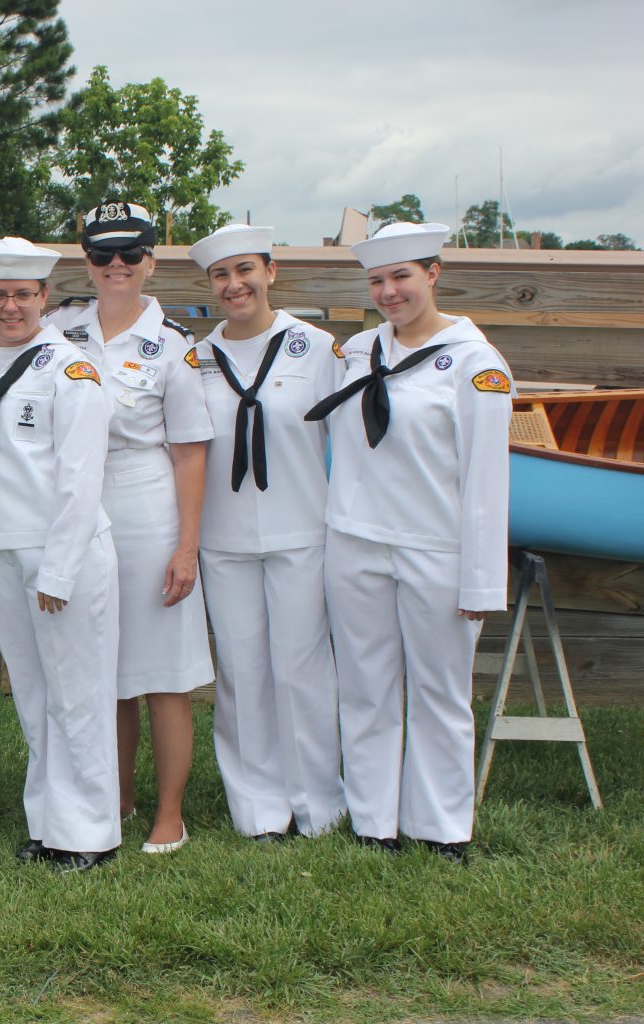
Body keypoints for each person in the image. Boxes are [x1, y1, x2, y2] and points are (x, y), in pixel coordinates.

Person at [305, 222, 513, 863]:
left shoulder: (477, 364)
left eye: (401, 277)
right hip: (356, 542)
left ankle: (443, 825)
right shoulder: (359, 350)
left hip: (435, 548)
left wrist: (481, 579)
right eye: (376, 280)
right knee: (365, 686)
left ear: (433, 274)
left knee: (439, 691)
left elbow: (486, 481)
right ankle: (375, 821)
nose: (389, 292)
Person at [43, 201, 213, 855]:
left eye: (130, 254)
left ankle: (169, 813)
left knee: (163, 675)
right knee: (100, 666)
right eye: (101, 254)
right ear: (85, 258)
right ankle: (113, 797)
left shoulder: (173, 344)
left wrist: (187, 547)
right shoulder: (59, 328)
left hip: (148, 510)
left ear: (151, 260)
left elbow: (191, 449)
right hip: (78, 507)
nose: (115, 266)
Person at [0, 237, 120, 872]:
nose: (10, 306)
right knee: (32, 695)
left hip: (59, 554)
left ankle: (89, 835)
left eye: (23, 295)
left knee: (77, 695)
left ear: (45, 299)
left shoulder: (70, 370)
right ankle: (49, 822)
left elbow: (82, 478)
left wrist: (60, 567)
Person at [187, 224, 346, 841]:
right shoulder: (196, 359)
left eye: (245, 270)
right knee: (243, 672)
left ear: (271, 273)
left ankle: (318, 806)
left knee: (303, 671)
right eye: (221, 276)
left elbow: (350, 444)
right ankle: (258, 809)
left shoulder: (319, 349)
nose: (234, 285)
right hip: (223, 540)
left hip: (302, 530)